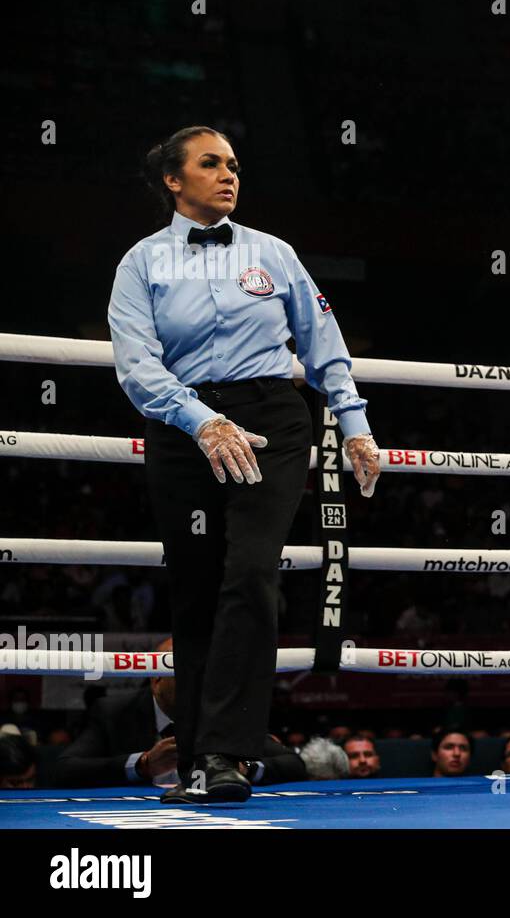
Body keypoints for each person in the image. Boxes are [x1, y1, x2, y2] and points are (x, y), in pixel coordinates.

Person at [107, 126, 382, 804]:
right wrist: (201, 419)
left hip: (272, 423)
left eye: (233, 164)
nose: (229, 174)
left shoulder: (274, 253)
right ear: (174, 180)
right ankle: (201, 758)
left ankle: (228, 754)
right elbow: (137, 366)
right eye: (210, 164)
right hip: (184, 428)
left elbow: (324, 341)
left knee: (252, 572)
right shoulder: (141, 263)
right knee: (197, 591)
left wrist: (354, 424)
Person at [55, 637, 305, 789]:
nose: (199, 690)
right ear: (156, 681)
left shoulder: (221, 711)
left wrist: (243, 769)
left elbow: (294, 764)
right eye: (186, 682)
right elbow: (65, 770)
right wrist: (142, 765)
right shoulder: (115, 712)